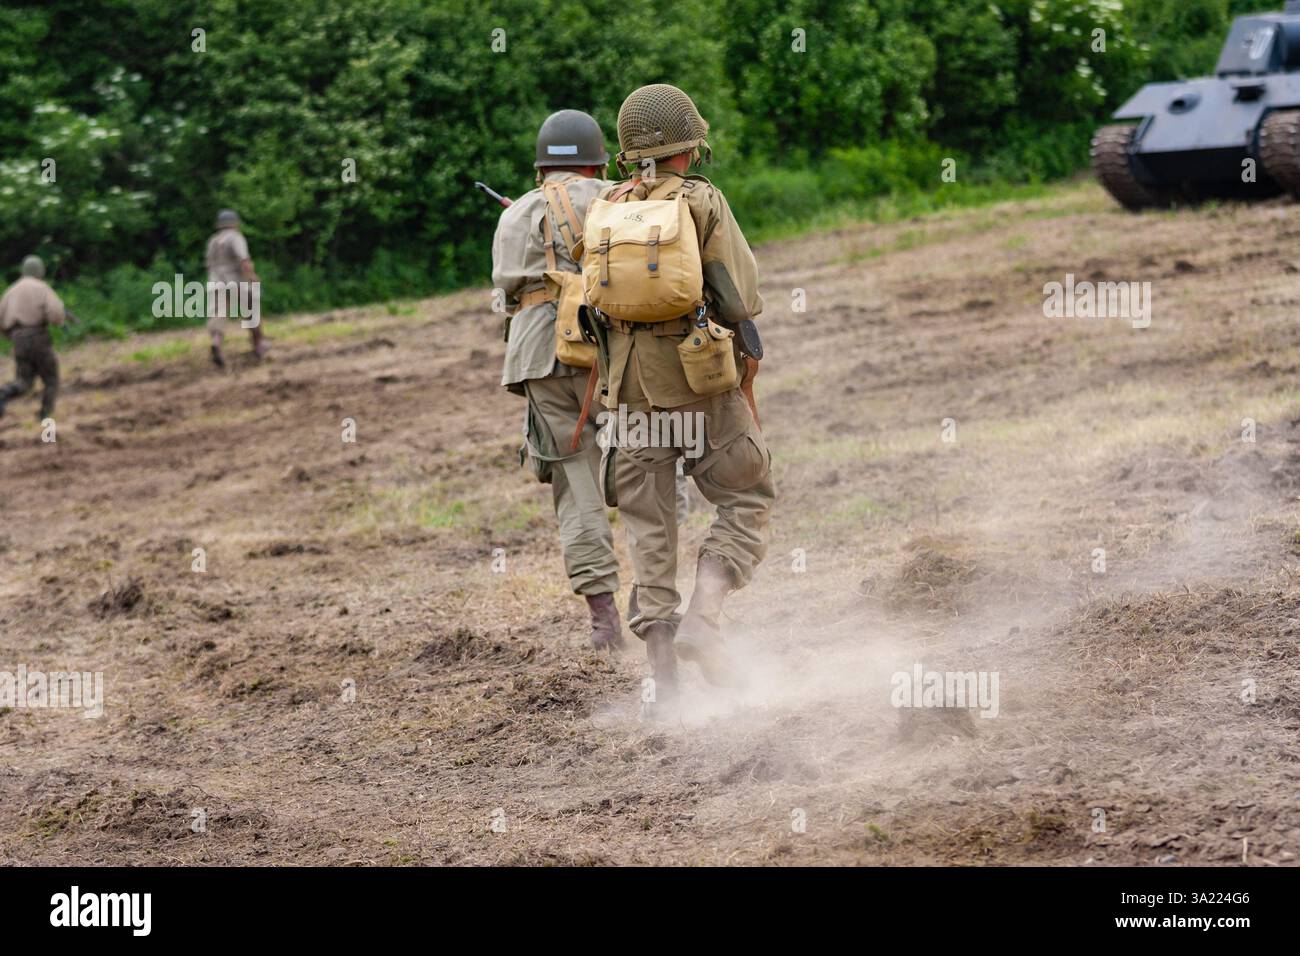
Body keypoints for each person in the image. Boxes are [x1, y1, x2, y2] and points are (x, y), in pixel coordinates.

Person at [596, 84, 775, 706]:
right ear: (689, 145)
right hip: (700, 382)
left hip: (630, 395)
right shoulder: (703, 201)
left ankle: (665, 688)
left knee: (650, 531)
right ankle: (705, 618)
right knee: (747, 496)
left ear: (628, 152)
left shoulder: (609, 207)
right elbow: (739, 299)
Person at [491, 109, 625, 649]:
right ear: (598, 160)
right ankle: (657, 602)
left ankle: (604, 621)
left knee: (575, 480)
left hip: (539, 357)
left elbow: (504, 296)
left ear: (539, 167)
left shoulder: (514, 215)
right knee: (643, 463)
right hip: (611, 348)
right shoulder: (618, 198)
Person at [0, 255, 66, 420]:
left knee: (24, 382)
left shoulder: (11, 291)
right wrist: (59, 322)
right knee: (51, 378)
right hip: (38, 336)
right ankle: (44, 416)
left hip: (18, 339)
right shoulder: (42, 287)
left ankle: (3, 393)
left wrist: (12, 336)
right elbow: (56, 314)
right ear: (40, 270)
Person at [205, 209, 266, 367]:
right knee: (251, 312)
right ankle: (258, 345)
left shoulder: (213, 240)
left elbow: (209, 264)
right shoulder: (235, 237)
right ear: (234, 223)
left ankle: (216, 342)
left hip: (215, 281)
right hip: (236, 281)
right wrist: (252, 277)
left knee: (218, 314)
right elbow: (244, 260)